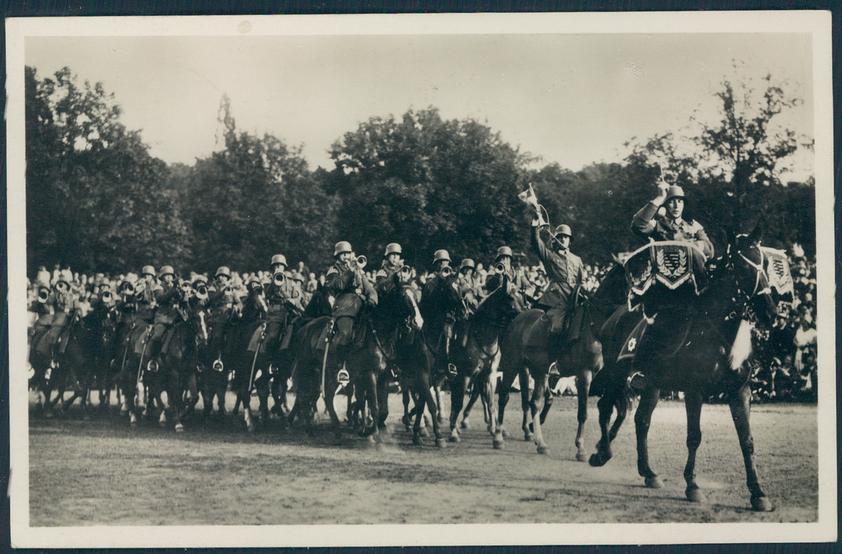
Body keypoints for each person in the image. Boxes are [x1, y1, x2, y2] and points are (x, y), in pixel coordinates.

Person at [627, 182, 714, 391]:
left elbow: (710, 249)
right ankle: (639, 370)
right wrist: (658, 198)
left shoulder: (694, 227)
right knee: (653, 324)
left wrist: (692, 244)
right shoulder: (658, 225)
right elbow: (638, 225)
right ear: (666, 205)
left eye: (680, 202)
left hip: (691, 289)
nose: (676, 205)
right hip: (664, 290)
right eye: (672, 202)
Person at [529, 220, 585, 340]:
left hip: (574, 298)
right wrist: (534, 226)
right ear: (556, 239)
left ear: (570, 240)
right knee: (557, 327)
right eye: (560, 236)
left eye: (566, 237)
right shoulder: (550, 256)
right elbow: (536, 244)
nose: (563, 239)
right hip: (557, 299)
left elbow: (581, 281)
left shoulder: (577, 259)